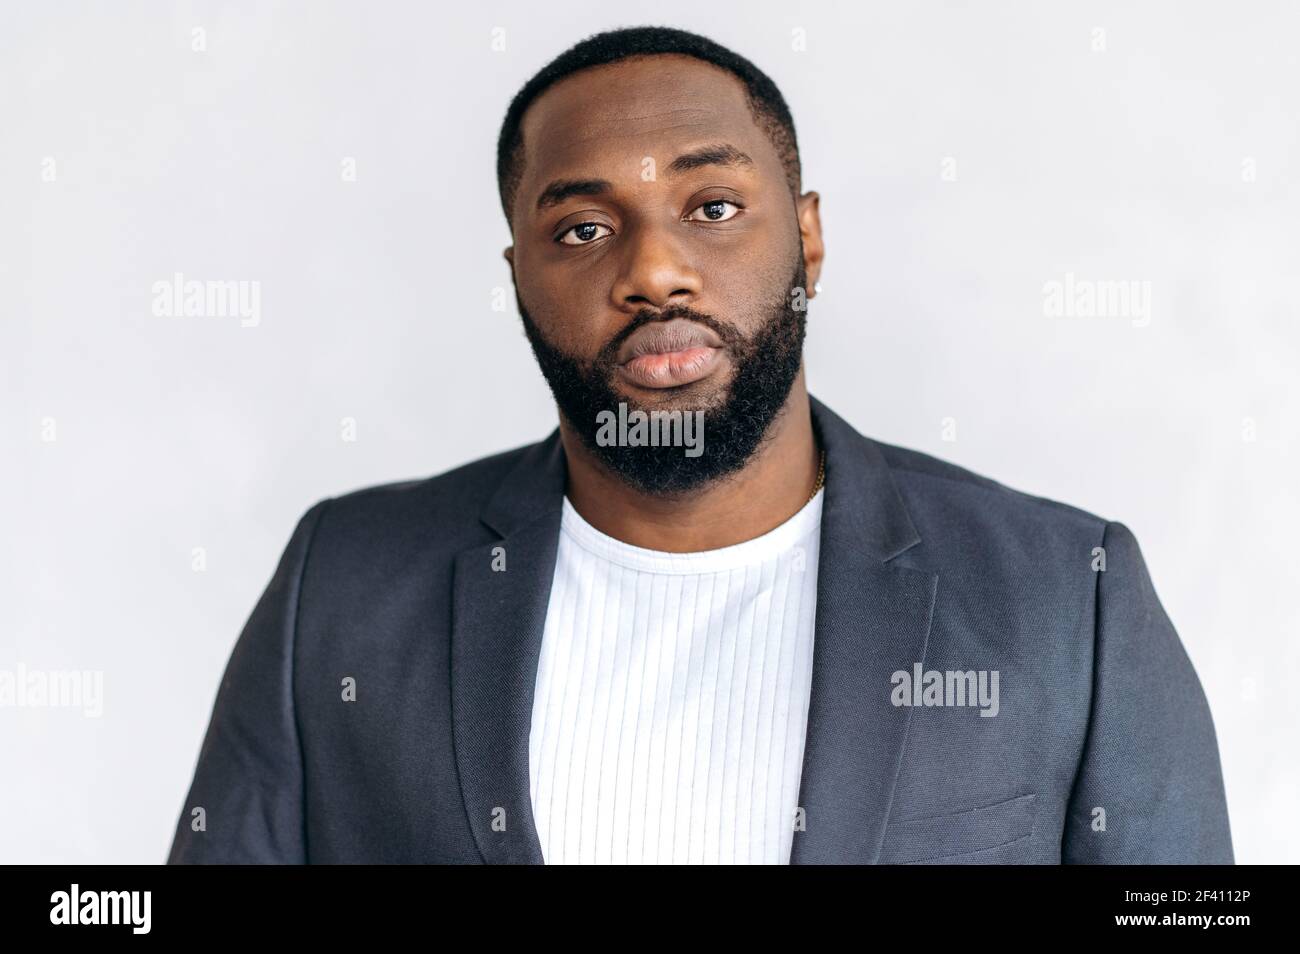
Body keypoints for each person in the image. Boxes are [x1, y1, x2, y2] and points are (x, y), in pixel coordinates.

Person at [167, 25, 1233, 864]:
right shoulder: (345, 584)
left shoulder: (1063, 595)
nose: (655, 271)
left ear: (807, 237)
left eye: (713, 206)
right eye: (583, 229)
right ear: (518, 277)